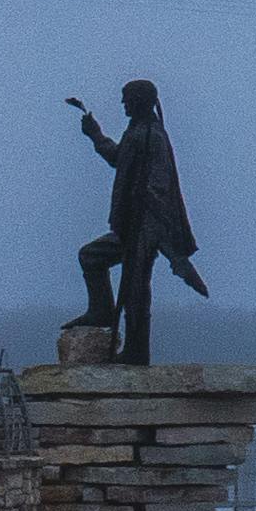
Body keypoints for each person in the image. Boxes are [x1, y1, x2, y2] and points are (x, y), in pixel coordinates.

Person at [68, 78, 200, 362]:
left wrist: (149, 222)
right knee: (92, 258)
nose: (122, 104)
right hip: (130, 226)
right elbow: (119, 159)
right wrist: (95, 135)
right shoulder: (137, 133)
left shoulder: (153, 137)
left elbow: (160, 185)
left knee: (136, 291)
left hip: (146, 228)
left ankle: (137, 351)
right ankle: (101, 310)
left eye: (126, 98)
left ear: (139, 101)